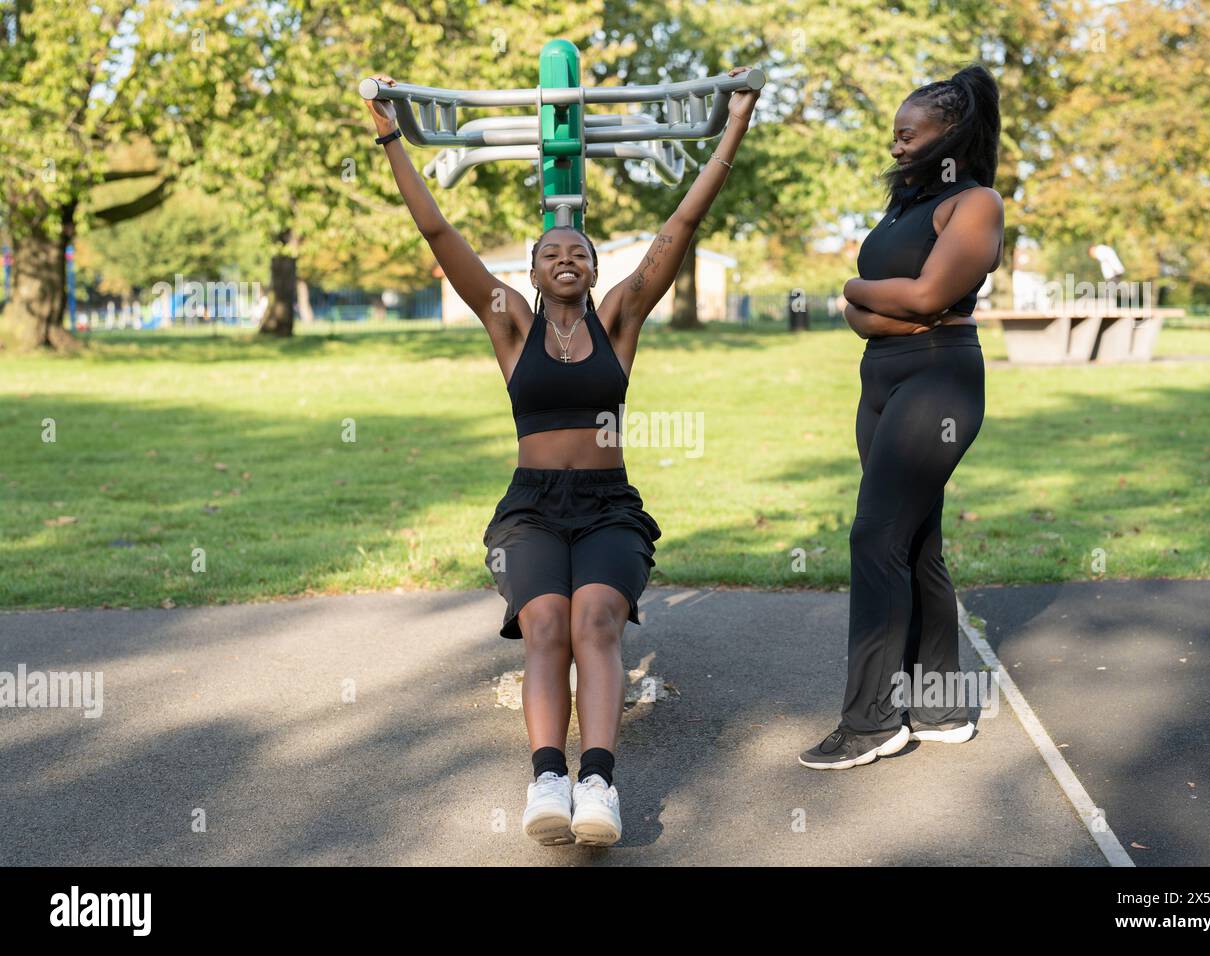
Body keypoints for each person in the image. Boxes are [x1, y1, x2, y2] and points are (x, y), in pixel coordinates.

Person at [363, 69, 759, 843]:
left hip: (609, 507)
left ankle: (600, 786)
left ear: (595, 269)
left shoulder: (619, 320)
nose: (567, 257)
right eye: (553, 252)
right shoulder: (510, 323)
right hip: (532, 509)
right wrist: (387, 135)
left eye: (579, 250)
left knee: (597, 619)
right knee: (545, 622)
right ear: (535, 272)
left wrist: (733, 127)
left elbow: (678, 227)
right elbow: (439, 235)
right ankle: (548, 778)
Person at [799, 65, 1004, 770]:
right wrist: (880, 307)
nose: (895, 146)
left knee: (874, 537)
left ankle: (870, 723)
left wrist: (856, 290)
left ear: (952, 133)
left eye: (907, 134)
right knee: (915, 541)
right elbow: (883, 313)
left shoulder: (975, 204)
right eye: (894, 134)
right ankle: (942, 709)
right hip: (881, 378)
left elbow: (923, 299)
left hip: (939, 378)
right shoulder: (906, 207)